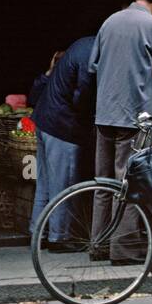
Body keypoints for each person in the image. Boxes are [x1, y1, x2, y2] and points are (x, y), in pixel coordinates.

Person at [88, 0, 152, 261]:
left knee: (103, 182)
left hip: (105, 113)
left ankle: (99, 243)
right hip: (134, 116)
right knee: (129, 181)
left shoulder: (109, 22)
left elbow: (93, 65)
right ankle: (124, 248)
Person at [30, 35, 97, 249]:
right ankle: (60, 238)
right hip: (62, 125)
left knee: (45, 183)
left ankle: (38, 233)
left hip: (45, 121)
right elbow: (82, 95)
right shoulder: (91, 53)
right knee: (63, 184)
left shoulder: (81, 44)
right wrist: (88, 117)